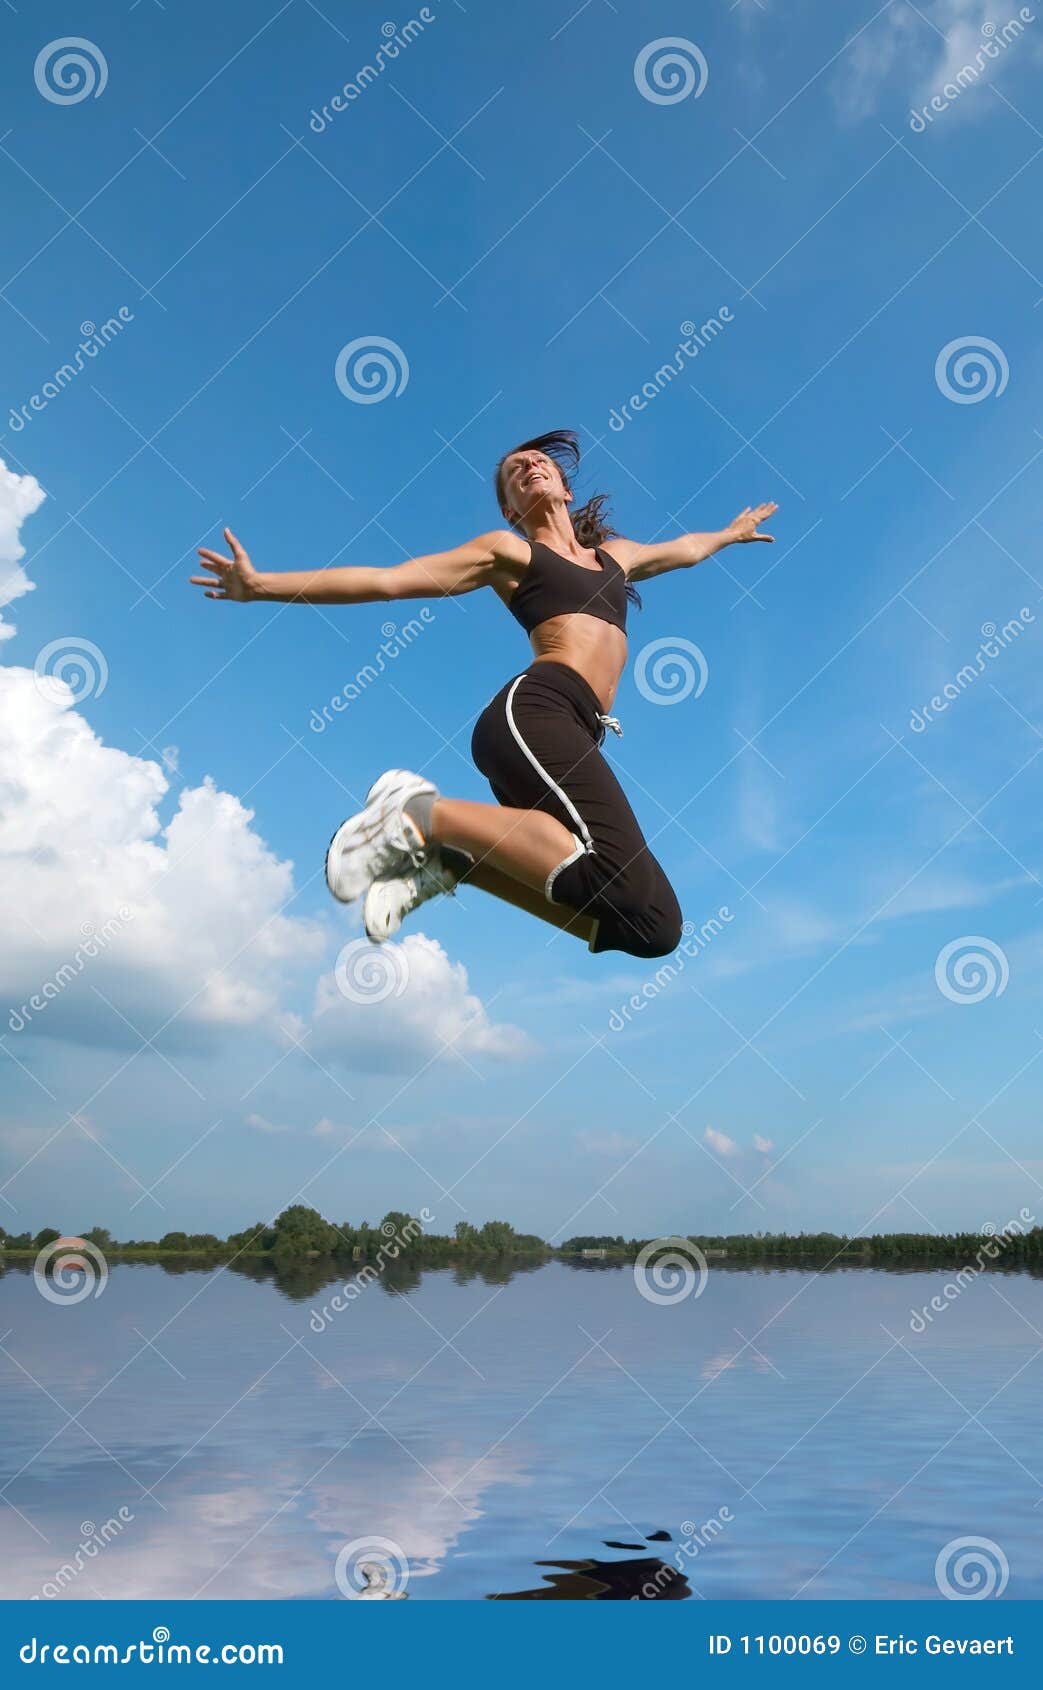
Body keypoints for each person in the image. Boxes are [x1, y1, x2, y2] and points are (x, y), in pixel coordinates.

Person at [191, 430, 775, 959]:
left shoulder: (615, 558)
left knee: (652, 927)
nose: (529, 466)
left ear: (566, 490)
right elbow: (388, 580)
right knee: (619, 878)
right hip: (537, 712)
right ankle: (415, 813)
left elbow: (683, 550)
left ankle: (455, 864)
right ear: (510, 510)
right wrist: (261, 586)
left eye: (540, 461)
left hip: (579, 731)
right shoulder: (509, 552)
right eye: (515, 471)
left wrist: (729, 534)